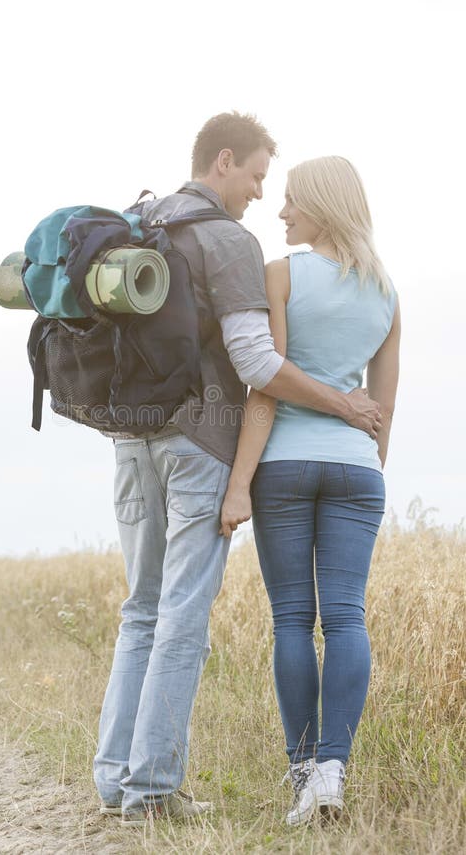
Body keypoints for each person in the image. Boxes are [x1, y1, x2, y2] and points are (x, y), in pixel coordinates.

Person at [93, 115, 383, 826]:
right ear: (223, 161)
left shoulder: (141, 221)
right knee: (181, 617)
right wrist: (343, 404)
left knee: (141, 610)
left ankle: (114, 780)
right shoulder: (228, 241)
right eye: (256, 176)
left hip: (130, 439)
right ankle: (151, 790)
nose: (259, 194)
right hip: (197, 443)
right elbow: (255, 361)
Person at [220, 155, 400, 825]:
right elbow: (383, 406)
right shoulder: (386, 291)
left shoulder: (282, 274)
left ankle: (302, 770)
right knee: (347, 617)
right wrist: (368, 467)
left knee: (293, 619)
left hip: (285, 467)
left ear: (322, 205)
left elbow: (266, 385)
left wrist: (239, 485)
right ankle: (331, 772)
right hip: (358, 470)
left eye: (293, 199)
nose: (283, 211)